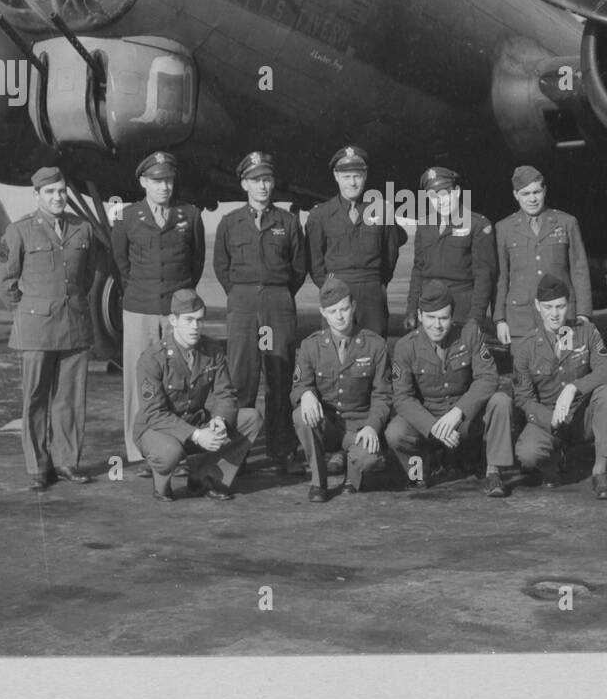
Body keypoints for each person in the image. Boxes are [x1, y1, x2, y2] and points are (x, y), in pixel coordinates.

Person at [0, 166, 105, 491]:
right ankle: (38, 467)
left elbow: (86, 279)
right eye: (50, 192)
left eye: (61, 191)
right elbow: (4, 281)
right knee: (36, 398)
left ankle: (67, 462)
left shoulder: (82, 229)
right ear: (37, 195)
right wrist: (27, 312)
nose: (57, 197)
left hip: (74, 324)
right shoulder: (19, 231)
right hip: (36, 329)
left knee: (70, 398)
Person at [111, 151, 207, 475]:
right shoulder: (126, 218)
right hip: (139, 309)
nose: (164, 186)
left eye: (168, 180)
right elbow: (122, 265)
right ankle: (141, 453)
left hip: (176, 311)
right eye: (156, 181)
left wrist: (179, 300)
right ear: (143, 182)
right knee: (140, 380)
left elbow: (195, 264)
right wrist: (142, 292)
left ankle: (175, 449)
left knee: (178, 380)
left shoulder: (189, 216)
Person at [212, 152, 306, 468]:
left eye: (266, 179)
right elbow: (221, 267)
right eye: (255, 180)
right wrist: (244, 295)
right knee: (242, 378)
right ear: (244, 184)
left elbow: (298, 268)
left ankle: (281, 450)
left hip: (278, 306)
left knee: (279, 377)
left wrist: (274, 294)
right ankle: (238, 455)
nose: (262, 186)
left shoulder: (288, 222)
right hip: (242, 306)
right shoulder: (229, 223)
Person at [133, 289, 261, 503]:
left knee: (251, 419)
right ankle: (161, 483)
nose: (196, 327)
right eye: (189, 320)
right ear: (173, 320)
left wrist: (220, 420)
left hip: (194, 421)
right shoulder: (152, 359)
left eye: (200, 320)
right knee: (170, 452)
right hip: (156, 428)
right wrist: (197, 435)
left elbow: (225, 394)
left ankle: (203, 475)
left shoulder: (212, 349)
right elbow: (155, 413)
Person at [387, 279, 513, 492]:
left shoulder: (469, 335)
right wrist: (432, 426)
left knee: (501, 401)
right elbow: (402, 397)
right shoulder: (405, 347)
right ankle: (419, 472)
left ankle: (494, 473)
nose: (437, 325)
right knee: (395, 432)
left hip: (464, 417)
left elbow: (488, 377)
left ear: (452, 316)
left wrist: (458, 412)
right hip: (428, 418)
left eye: (443, 318)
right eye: (430, 318)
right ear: (419, 316)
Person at [510, 274, 607, 500]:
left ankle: (600, 472)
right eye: (548, 307)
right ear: (537, 306)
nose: (554, 314)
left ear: (568, 305)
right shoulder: (525, 348)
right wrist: (548, 419)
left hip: (581, 416)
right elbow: (523, 398)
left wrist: (574, 387)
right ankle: (552, 468)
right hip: (548, 421)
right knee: (527, 454)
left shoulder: (586, 332)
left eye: (560, 306)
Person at [290, 276, 392, 502]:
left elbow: (383, 395)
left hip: (358, 425)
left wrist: (372, 427)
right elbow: (299, 384)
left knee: (370, 459)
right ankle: (318, 482)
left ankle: (353, 474)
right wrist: (305, 394)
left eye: (344, 309)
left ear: (353, 307)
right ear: (322, 313)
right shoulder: (310, 345)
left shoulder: (375, 345)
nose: (339, 316)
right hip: (326, 424)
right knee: (301, 415)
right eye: (332, 311)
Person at [304, 145, 405, 338]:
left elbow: (390, 255)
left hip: (371, 294)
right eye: (346, 176)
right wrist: (329, 288)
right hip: (336, 293)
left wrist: (376, 284)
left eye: (357, 176)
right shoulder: (320, 214)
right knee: (335, 354)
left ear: (365, 176)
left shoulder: (382, 212)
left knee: (374, 350)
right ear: (336, 176)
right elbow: (314, 261)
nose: (352, 182)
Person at [493, 165, 593, 344]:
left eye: (536, 192)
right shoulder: (504, 228)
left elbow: (580, 270)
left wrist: (583, 315)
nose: (532, 199)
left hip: (562, 319)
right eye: (525, 194)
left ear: (544, 191)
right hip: (521, 320)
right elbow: (501, 278)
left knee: (564, 369)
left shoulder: (566, 223)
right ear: (515, 195)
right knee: (524, 371)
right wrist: (500, 320)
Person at [403, 166, 496, 332]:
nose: (440, 200)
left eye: (445, 193)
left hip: (461, 312)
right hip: (430, 308)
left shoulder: (478, 225)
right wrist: (411, 310)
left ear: (457, 192)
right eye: (433, 195)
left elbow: (484, 277)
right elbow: (418, 271)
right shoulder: (424, 225)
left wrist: (475, 318)